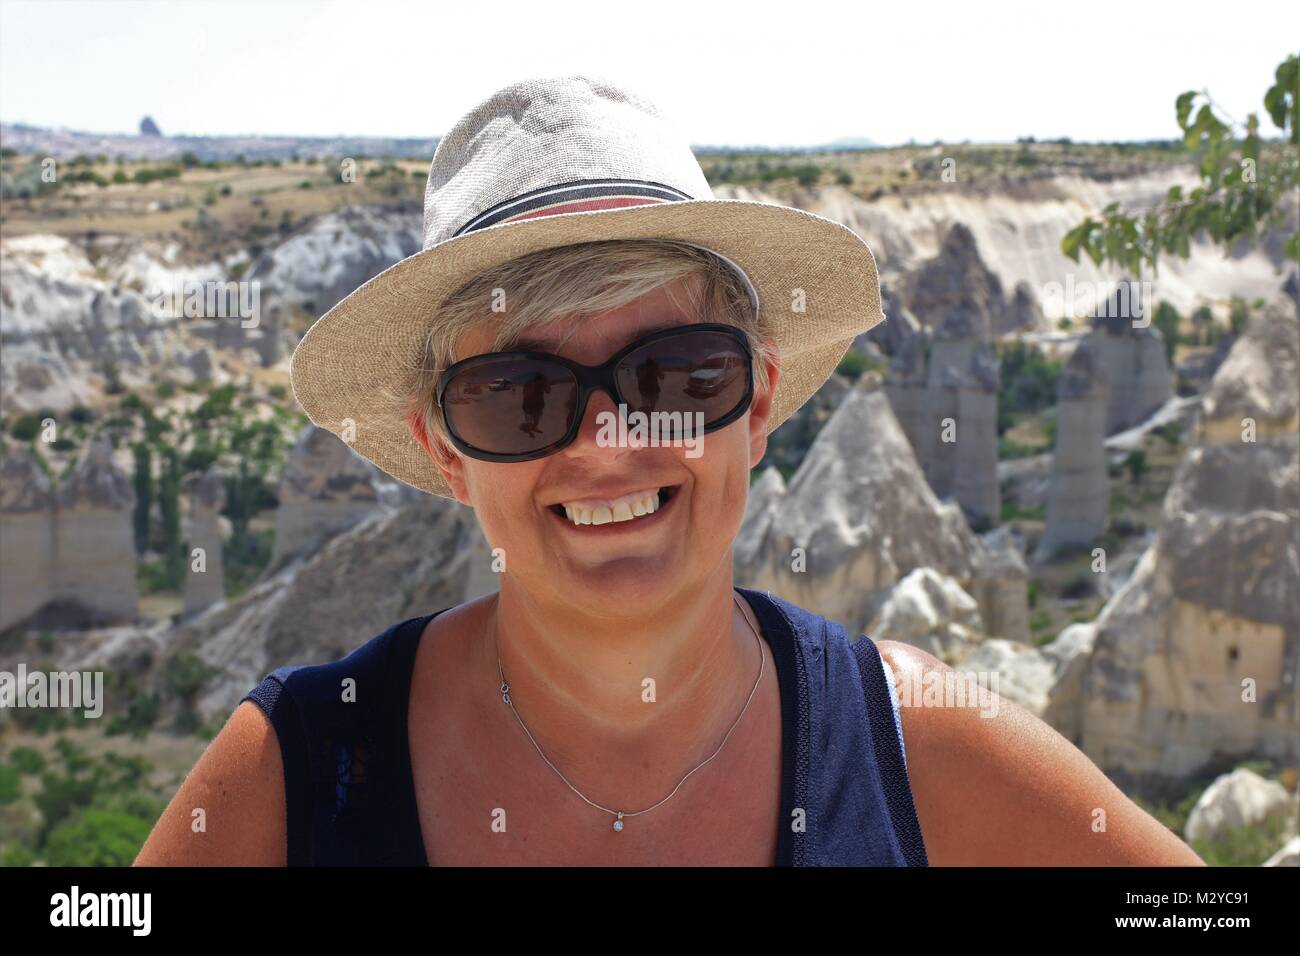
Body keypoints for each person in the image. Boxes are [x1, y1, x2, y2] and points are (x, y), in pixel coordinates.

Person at [135, 75, 1203, 866]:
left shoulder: (926, 748)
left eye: (676, 374)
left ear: (758, 405)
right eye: (521, 392)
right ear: (445, 446)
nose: (604, 439)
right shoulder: (299, 776)